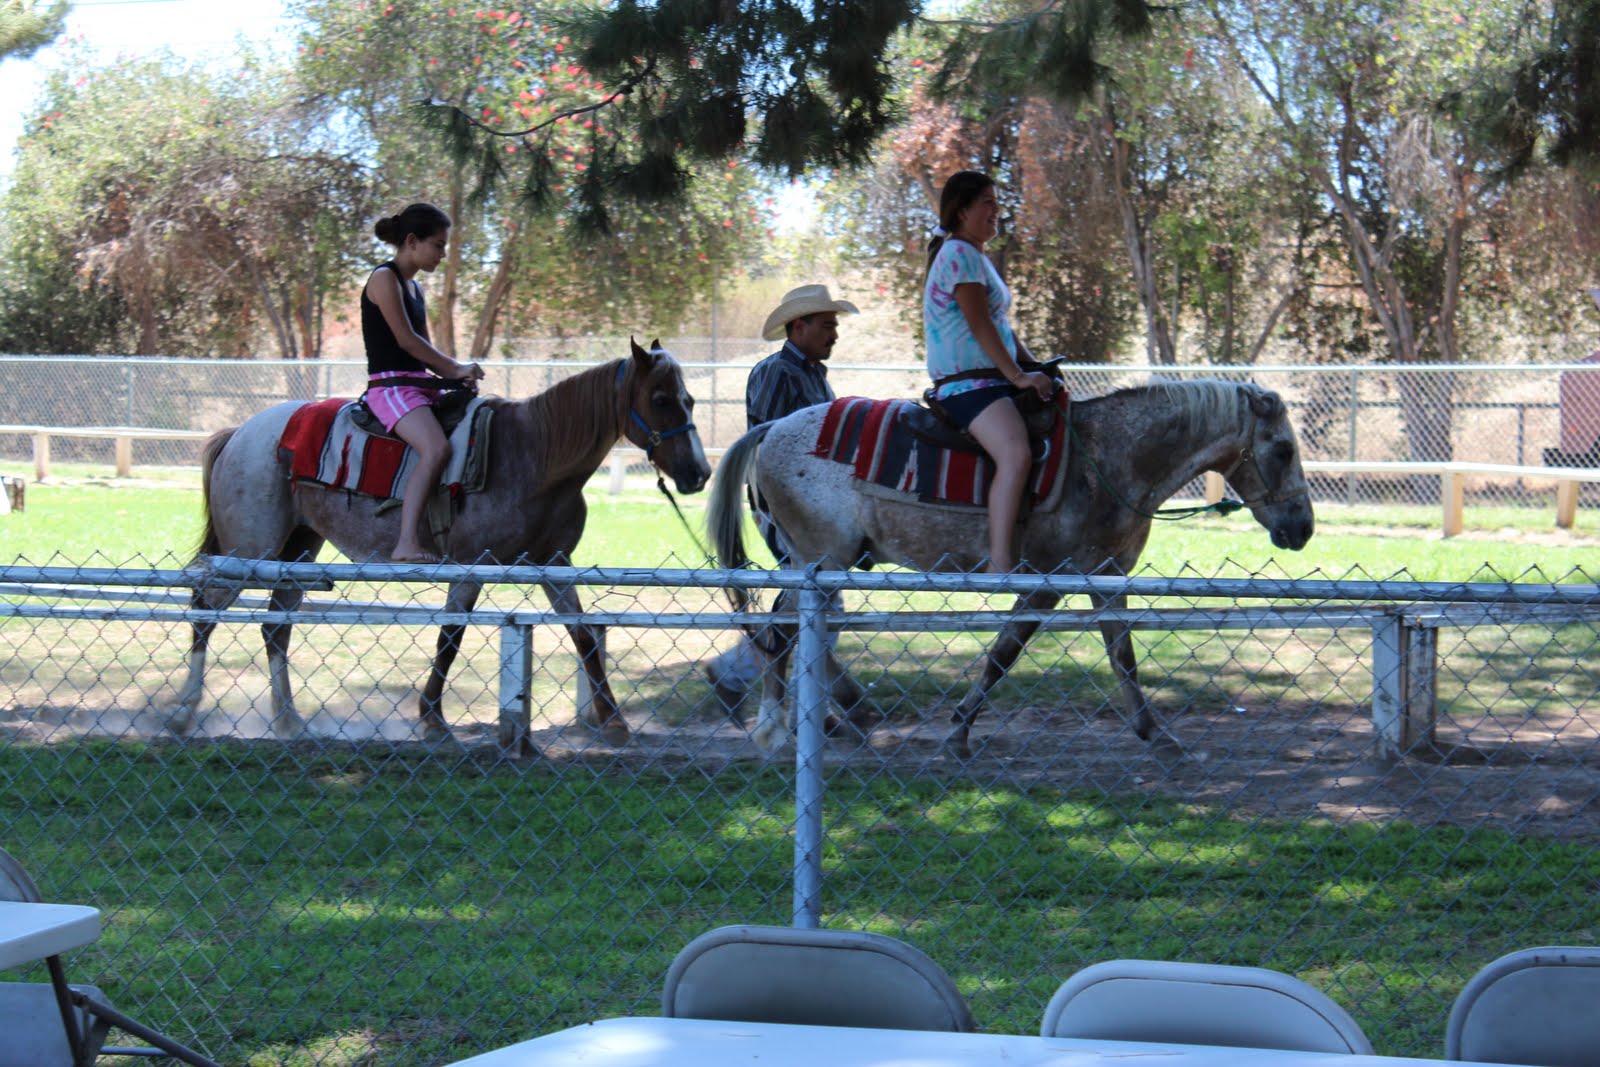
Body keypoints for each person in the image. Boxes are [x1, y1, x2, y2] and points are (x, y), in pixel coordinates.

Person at [706, 284, 859, 718]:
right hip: (782, 502)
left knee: (816, 592)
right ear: (799, 326)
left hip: (810, 502)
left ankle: (794, 691)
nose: (834, 334)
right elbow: (771, 445)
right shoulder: (777, 373)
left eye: (834, 325)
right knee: (815, 590)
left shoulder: (812, 373)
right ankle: (808, 696)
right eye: (827, 325)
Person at [923, 171, 1055, 573]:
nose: (997, 212)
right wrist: (1018, 377)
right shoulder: (960, 254)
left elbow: (1000, 326)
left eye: (997, 204)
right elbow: (979, 323)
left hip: (986, 378)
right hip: (967, 384)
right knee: (1015, 452)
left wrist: (1034, 367)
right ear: (962, 210)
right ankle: (1000, 562)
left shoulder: (974, 255)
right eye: (988, 203)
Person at [361, 203, 486, 563]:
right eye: (438, 245)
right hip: (391, 389)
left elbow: (423, 350)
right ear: (412, 241)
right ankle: (406, 543)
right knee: (436, 449)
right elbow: (406, 341)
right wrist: (455, 367)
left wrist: (453, 378)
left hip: (417, 383)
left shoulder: (414, 288)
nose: (443, 254)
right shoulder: (384, 279)